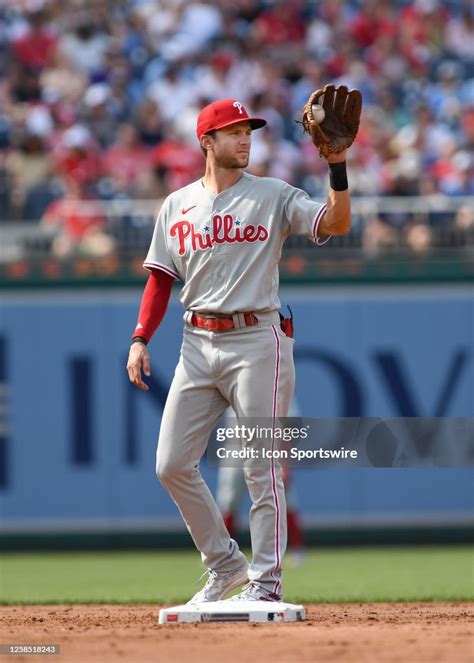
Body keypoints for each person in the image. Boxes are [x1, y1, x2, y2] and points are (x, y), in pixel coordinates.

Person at [127, 97, 352, 603]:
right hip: (195, 342)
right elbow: (160, 280)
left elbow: (336, 224)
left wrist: (336, 167)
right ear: (206, 142)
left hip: (257, 340)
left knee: (260, 463)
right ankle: (226, 564)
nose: (245, 139)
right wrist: (141, 337)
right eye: (232, 132)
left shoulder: (273, 194)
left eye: (248, 130)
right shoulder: (176, 204)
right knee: (171, 464)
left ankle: (267, 584)